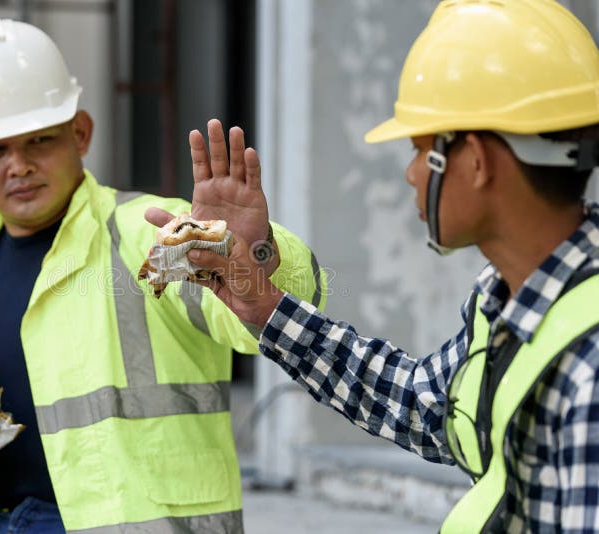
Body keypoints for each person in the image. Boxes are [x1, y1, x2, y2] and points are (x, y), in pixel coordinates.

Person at [0, 17, 324, 534]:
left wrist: (256, 252)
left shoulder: (148, 231)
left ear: (80, 134)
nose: (19, 166)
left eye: (40, 140)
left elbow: (272, 316)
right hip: (2, 520)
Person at [174, 0, 599, 531]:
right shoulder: (506, 295)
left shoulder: (590, 363)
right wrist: (264, 305)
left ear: (476, 161)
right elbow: (425, 407)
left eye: (422, 149)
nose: (410, 173)